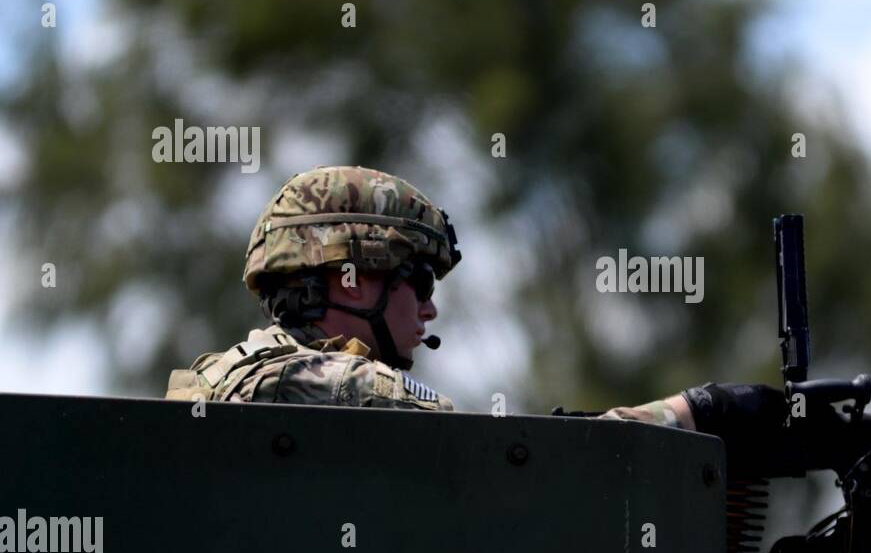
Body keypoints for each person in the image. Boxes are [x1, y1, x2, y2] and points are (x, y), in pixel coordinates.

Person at [165, 166, 783, 446]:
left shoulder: (231, 372)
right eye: (421, 283)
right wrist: (694, 411)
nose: (430, 310)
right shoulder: (337, 387)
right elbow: (516, 469)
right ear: (353, 280)